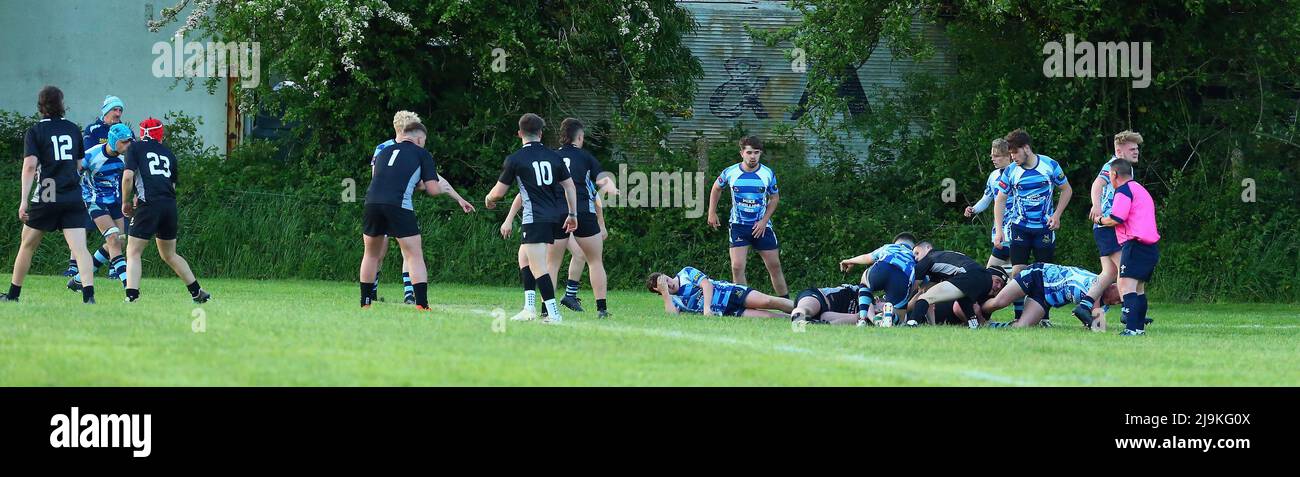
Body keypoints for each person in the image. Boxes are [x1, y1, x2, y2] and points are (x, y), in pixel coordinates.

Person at [500, 118, 618, 318]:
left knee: (552, 263)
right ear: (579, 137)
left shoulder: (550, 157)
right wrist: (611, 187)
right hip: (583, 212)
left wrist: (510, 217)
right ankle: (601, 309)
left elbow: (525, 192)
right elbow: (601, 181)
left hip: (557, 214)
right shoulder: (586, 157)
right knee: (595, 261)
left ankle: (547, 311)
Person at [1, 86, 97, 304]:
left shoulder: (36, 131)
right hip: (72, 192)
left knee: (27, 245)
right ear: (62, 104)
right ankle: (89, 297)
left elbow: (29, 166)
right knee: (80, 248)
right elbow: (79, 165)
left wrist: (24, 200)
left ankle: (13, 295)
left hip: (48, 189)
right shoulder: (73, 129)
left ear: (41, 106)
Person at [368, 111, 475, 305]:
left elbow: (437, 178)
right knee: (381, 251)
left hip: (391, 203)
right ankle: (372, 292)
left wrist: (458, 198)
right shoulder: (384, 148)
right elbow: (379, 177)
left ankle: (408, 294)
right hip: (392, 202)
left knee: (407, 250)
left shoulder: (413, 151)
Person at [485, 113, 578, 324]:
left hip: (535, 218)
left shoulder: (516, 159)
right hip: (554, 217)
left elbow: (499, 192)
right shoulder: (554, 157)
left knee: (539, 267)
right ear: (541, 133)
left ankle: (553, 313)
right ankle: (529, 307)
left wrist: (489, 198)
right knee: (524, 257)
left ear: (520, 133)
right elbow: (569, 186)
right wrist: (572, 214)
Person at [121, 117, 211, 303]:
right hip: (169, 205)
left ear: (141, 133)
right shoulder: (169, 154)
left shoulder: (135, 148)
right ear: (160, 135)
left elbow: (128, 177)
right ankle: (197, 292)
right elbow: (171, 184)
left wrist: (125, 201)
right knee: (169, 254)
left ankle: (132, 297)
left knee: (133, 251)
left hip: (149, 204)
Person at [358, 122, 442, 309]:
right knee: (414, 255)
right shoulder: (422, 154)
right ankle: (421, 304)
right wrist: (429, 185)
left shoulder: (383, 151)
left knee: (370, 254)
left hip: (371, 203)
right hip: (398, 204)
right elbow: (433, 190)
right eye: (424, 141)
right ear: (419, 138)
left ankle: (365, 303)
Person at [992, 129, 1072, 323]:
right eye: (1009, 154)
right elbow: (1000, 200)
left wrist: (1057, 215)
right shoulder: (1011, 171)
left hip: (1044, 229)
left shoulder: (1050, 165)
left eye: (1015, 153)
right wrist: (1000, 230)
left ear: (1026, 148)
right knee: (1018, 272)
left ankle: (1043, 317)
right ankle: (1020, 316)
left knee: (1044, 274)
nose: (1012, 157)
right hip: (1019, 228)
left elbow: (1066, 189)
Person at [1072, 130, 1142, 324]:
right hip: (1107, 226)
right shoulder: (1112, 166)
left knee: (1109, 273)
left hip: (1108, 226)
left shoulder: (1126, 167)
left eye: (1137, 148)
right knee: (1127, 269)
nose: (1136, 151)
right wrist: (1096, 205)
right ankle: (1131, 312)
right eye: (1132, 149)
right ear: (1119, 151)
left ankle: (1084, 306)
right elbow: (1097, 184)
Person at [706, 135, 788, 298]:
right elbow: (716, 188)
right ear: (742, 153)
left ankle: (787, 304)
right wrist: (711, 212)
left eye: (756, 153)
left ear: (760, 153)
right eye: (749, 152)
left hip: (762, 227)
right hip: (738, 226)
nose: (753, 156)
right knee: (737, 266)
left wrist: (764, 221)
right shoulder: (730, 172)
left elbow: (775, 197)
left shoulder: (767, 173)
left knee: (774, 265)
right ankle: (744, 302)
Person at [1095, 160, 1160, 336]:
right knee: (1138, 288)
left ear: (1115, 175)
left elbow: (1117, 218)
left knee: (1125, 286)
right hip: (1150, 247)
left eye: (1110, 175)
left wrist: (1099, 220)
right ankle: (1138, 329)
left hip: (1135, 244)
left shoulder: (1123, 190)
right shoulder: (1140, 189)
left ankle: (1131, 329)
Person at [66, 94, 128, 279]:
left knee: (119, 238)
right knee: (82, 227)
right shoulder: (93, 130)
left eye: (120, 110)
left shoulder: (124, 132)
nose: (118, 113)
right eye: (114, 110)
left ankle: (106, 270)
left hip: (115, 192)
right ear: (106, 111)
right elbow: (86, 159)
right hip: (93, 192)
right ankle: (74, 266)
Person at [981, 262, 1122, 328]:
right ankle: (972, 312)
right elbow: (1097, 326)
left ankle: (987, 326)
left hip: (1045, 297)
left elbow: (1096, 326)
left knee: (1022, 326)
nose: (1118, 301)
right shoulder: (1096, 283)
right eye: (1119, 288)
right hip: (1037, 275)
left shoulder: (1104, 306)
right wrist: (1092, 323)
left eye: (1120, 300)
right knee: (998, 303)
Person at [903, 242, 1008, 328]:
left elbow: (910, 291)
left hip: (969, 275)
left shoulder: (927, 259)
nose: (915, 258)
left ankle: (912, 323)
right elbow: (928, 289)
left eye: (917, 253)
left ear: (928, 248)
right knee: (963, 298)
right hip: (982, 276)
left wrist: (899, 306)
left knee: (925, 298)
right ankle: (974, 326)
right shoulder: (942, 256)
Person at [837, 232, 917, 326]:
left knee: (865, 280)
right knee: (901, 319)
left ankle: (862, 318)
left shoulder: (889, 247)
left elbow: (867, 257)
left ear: (896, 242)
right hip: (902, 277)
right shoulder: (915, 255)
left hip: (883, 268)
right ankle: (889, 315)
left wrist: (849, 261)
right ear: (914, 246)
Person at [647, 267, 793, 318]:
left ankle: (807, 307)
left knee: (768, 302)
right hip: (726, 311)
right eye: (663, 286)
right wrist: (665, 293)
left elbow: (706, 284)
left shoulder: (685, 273)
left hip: (730, 293)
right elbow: (673, 317)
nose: (668, 284)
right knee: (770, 317)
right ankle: (805, 320)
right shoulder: (671, 300)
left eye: (665, 280)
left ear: (666, 275)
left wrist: (706, 308)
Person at [964, 138, 1015, 267]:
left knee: (993, 271)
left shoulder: (1019, 173)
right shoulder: (993, 176)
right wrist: (973, 209)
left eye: (997, 156)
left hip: (1016, 229)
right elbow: (986, 199)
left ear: (1009, 155)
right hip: (999, 232)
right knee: (1007, 274)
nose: (993, 159)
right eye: (992, 156)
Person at [790, 283, 866, 325]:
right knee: (807, 309)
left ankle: (803, 321)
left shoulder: (864, 318)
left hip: (824, 313)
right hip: (819, 296)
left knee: (788, 314)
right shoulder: (865, 296)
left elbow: (825, 316)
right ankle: (797, 321)